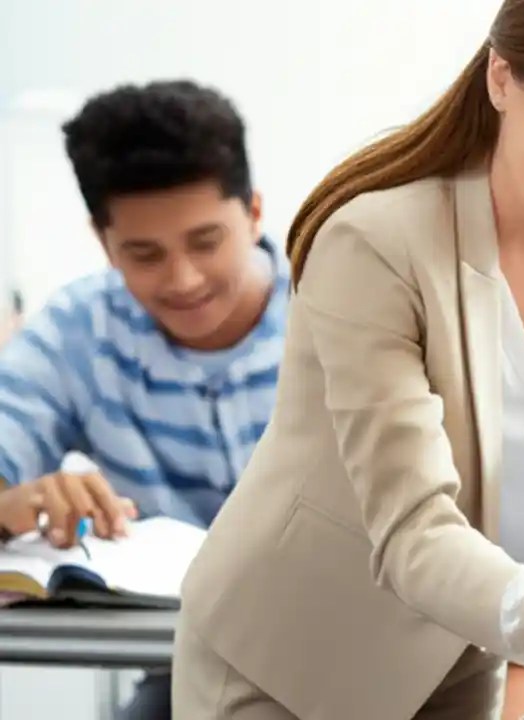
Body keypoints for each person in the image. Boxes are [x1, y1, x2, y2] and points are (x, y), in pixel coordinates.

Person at [171, 2, 524, 719]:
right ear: (503, 79)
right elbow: (413, 530)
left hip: (457, 664)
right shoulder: (377, 242)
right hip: (290, 669)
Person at [0, 80, 286, 719]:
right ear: (104, 243)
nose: (182, 279)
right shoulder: (80, 329)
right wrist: (11, 503)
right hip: (188, 677)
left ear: (256, 212)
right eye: (144, 254)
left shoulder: (343, 307)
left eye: (206, 242)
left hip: (361, 670)